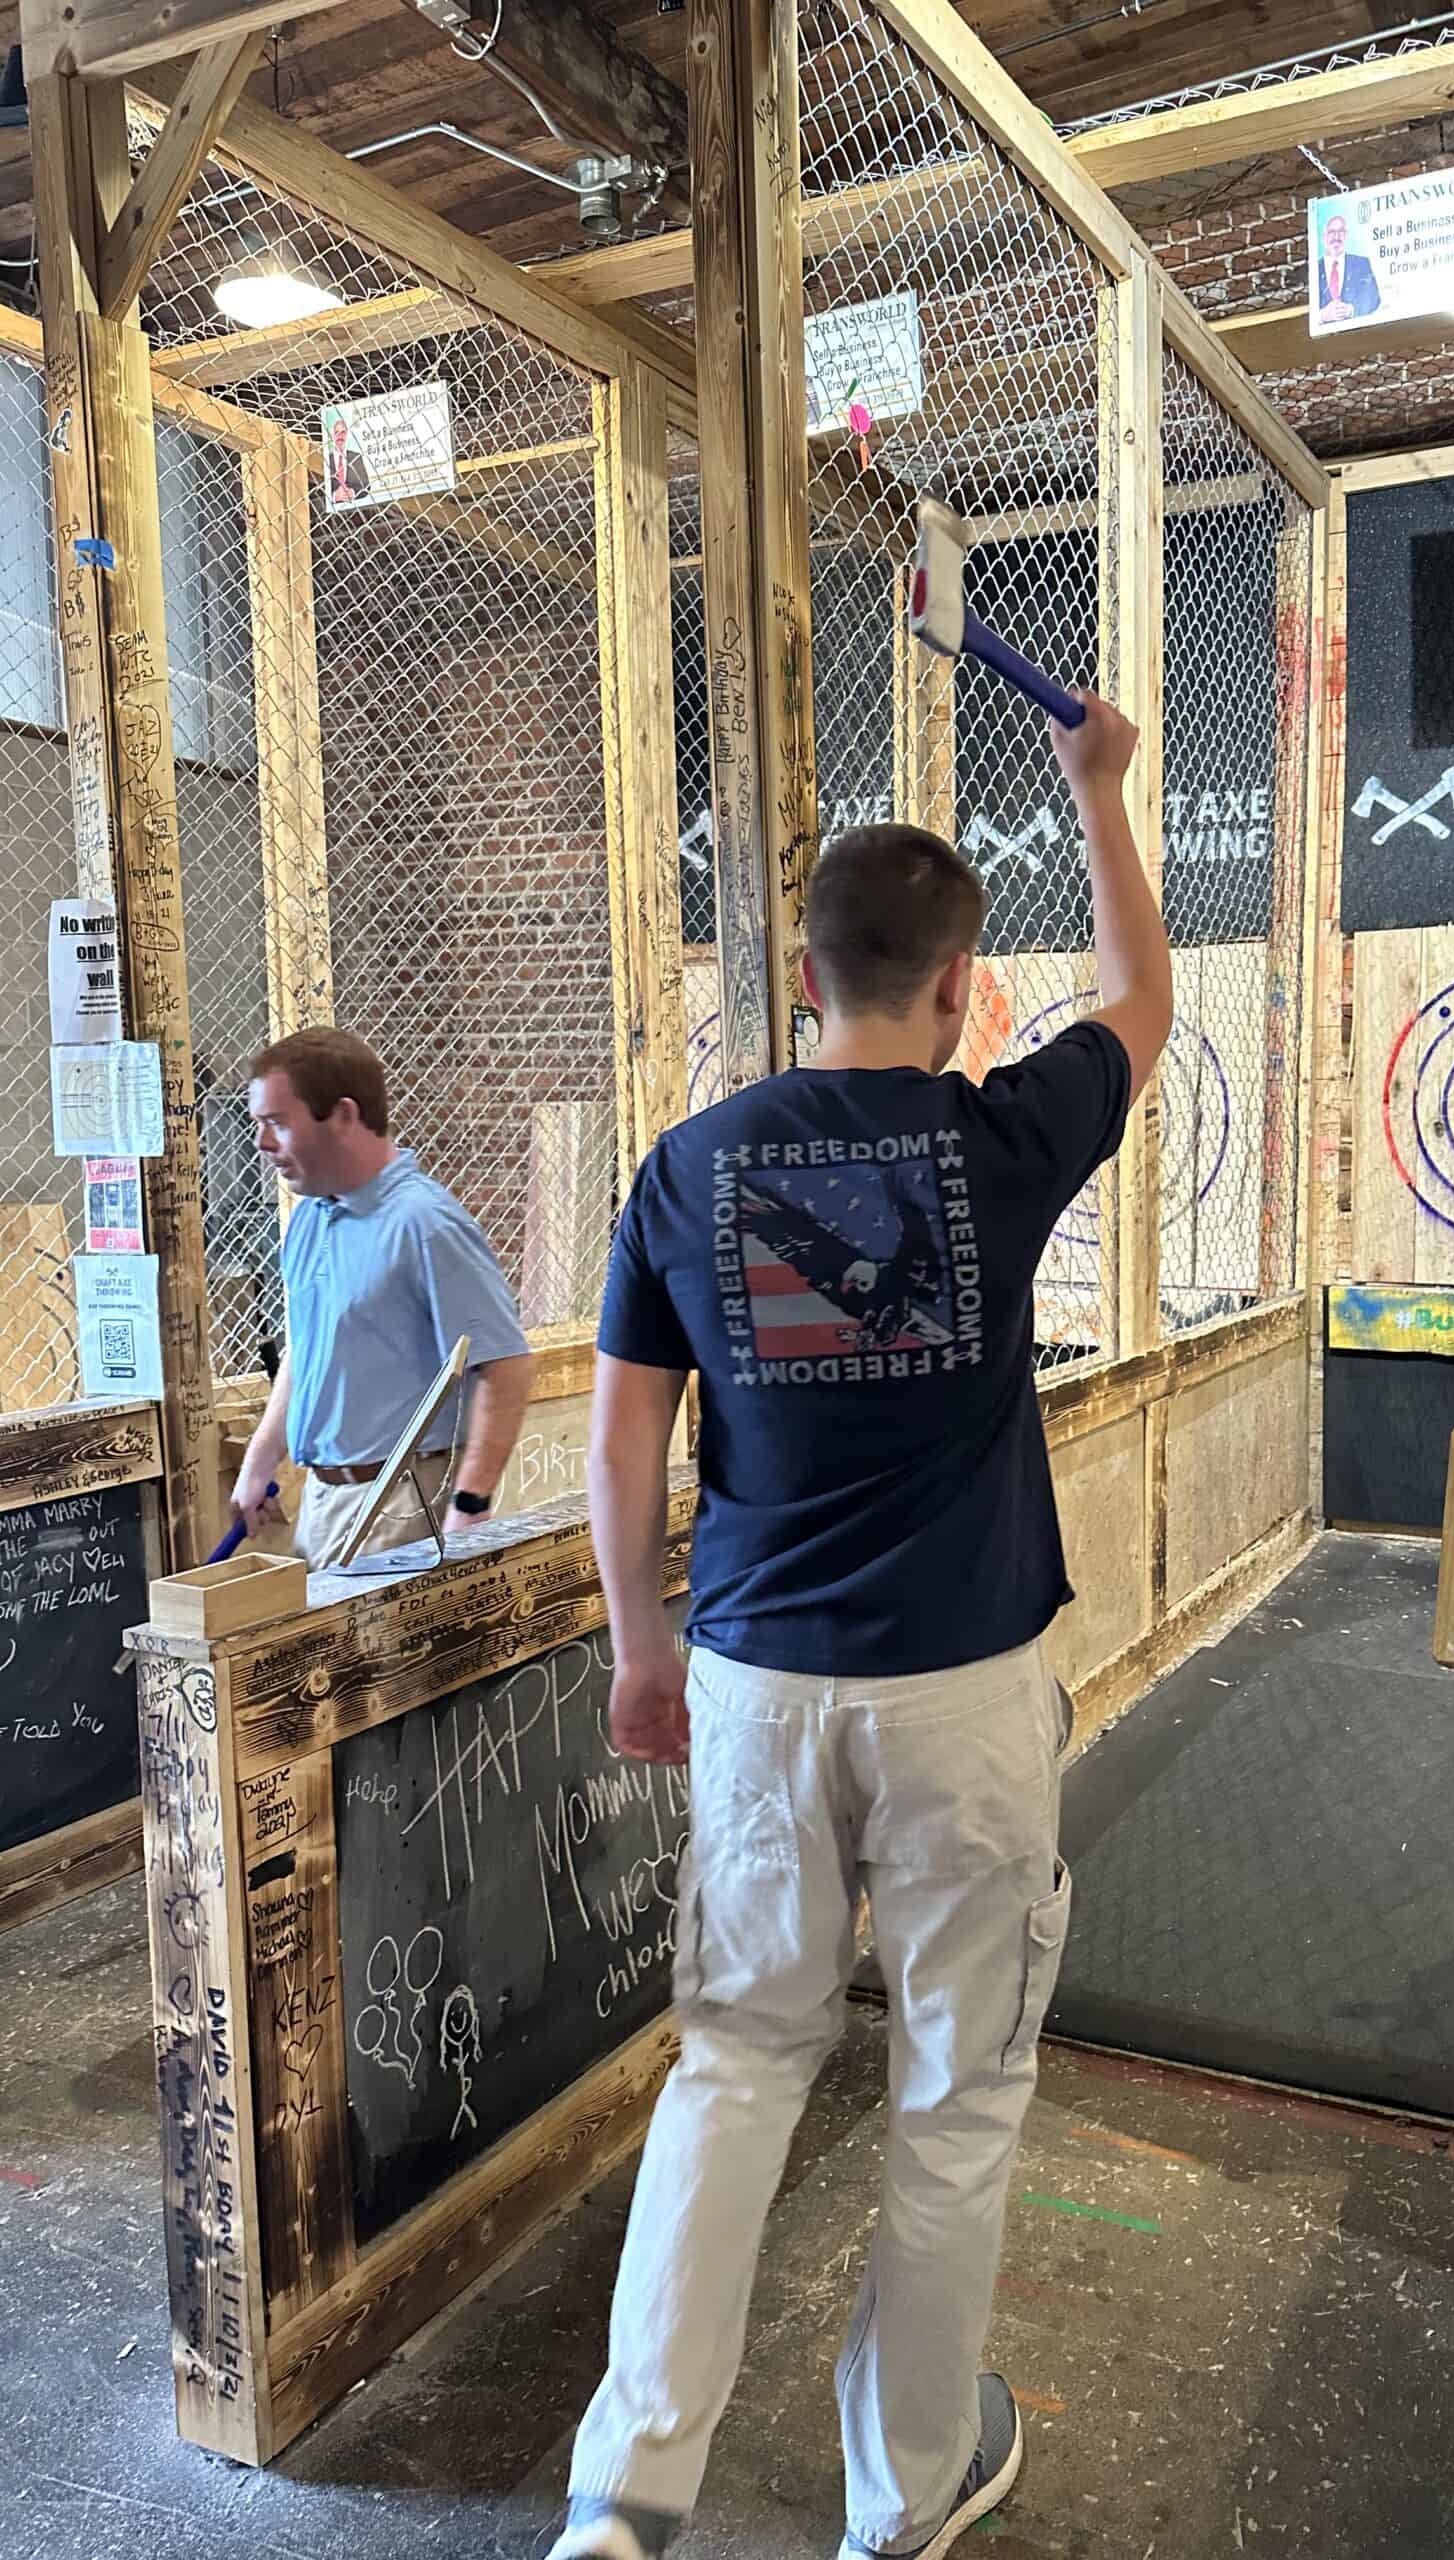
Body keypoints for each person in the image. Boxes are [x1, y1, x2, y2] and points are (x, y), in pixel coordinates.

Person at [551, 691, 1170, 2560]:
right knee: (954, 2093)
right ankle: (902, 2501)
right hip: (963, 1692)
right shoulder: (1003, 1140)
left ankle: (627, 2494)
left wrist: (636, 1641)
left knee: (739, 2058)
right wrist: (1097, 790)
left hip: (749, 1676)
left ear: (803, 973)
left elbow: (623, 1430)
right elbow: (1143, 1003)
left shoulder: (689, 1164)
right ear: (964, 977)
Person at [233, 1028, 533, 1569]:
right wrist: (261, 1459)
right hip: (325, 1502)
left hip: (400, 1505)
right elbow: (309, 1350)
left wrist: (470, 1503)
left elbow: (503, 1366)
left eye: (278, 1122)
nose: (262, 1143)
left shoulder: (424, 1223)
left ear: (344, 1116)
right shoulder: (310, 1219)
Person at [1316, 212, 1380, 324]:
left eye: (1340, 232)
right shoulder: (1314, 269)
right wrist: (1322, 316)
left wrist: (1350, 310)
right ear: (1323, 237)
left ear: (1346, 235)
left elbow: (1373, 298)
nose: (1336, 237)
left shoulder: (1361, 264)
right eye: (1331, 232)